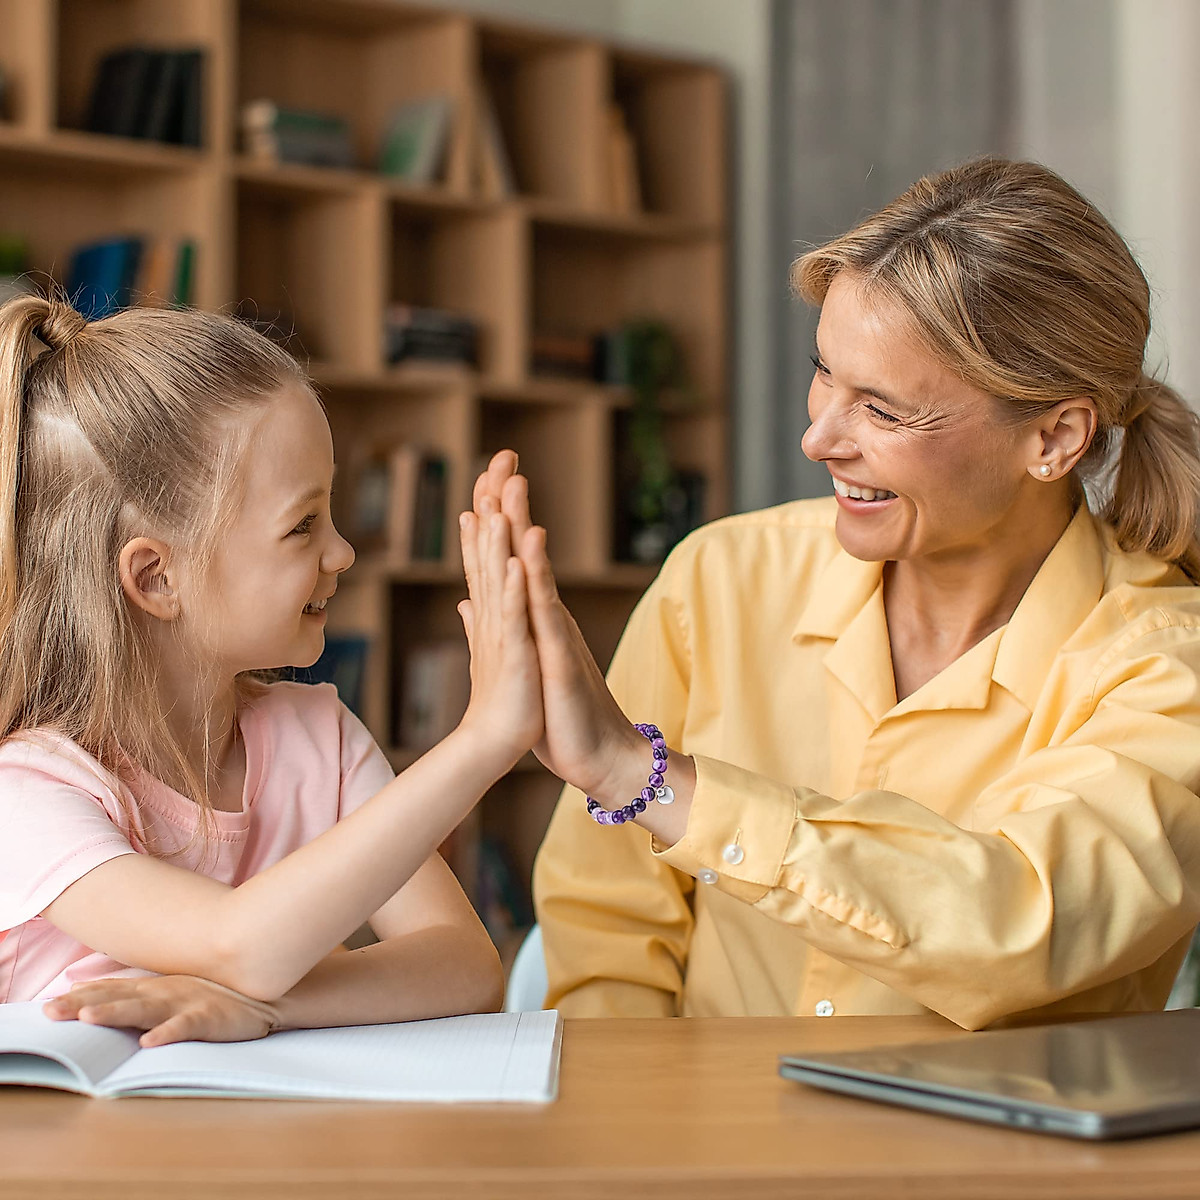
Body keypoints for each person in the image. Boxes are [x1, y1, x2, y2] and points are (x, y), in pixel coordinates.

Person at [511, 157, 1200, 1028]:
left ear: (1054, 436)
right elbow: (605, 927)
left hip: (992, 1167)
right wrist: (650, 1139)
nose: (817, 437)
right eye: (825, 371)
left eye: (882, 409)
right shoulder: (720, 581)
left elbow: (1019, 920)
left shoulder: (1166, 665)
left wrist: (644, 778)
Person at [0, 296, 543, 1047]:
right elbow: (236, 944)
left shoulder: (318, 738)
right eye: (302, 525)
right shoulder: (26, 794)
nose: (343, 552)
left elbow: (466, 965)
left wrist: (268, 1009)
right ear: (157, 578)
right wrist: (483, 739)